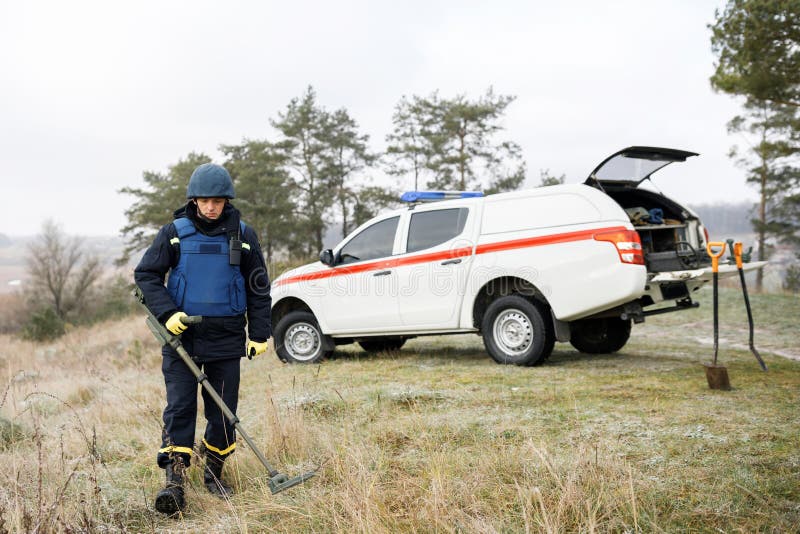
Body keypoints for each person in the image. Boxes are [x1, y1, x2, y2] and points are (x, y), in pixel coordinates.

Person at [134, 162, 272, 515]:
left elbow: (258, 286)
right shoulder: (174, 233)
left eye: (218, 201)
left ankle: (214, 474)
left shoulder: (243, 234)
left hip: (227, 338)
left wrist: (259, 333)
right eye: (204, 200)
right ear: (194, 200)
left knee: (223, 411)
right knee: (180, 408)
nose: (211, 207)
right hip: (183, 339)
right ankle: (174, 482)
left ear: (226, 200)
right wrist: (168, 314)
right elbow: (147, 274)